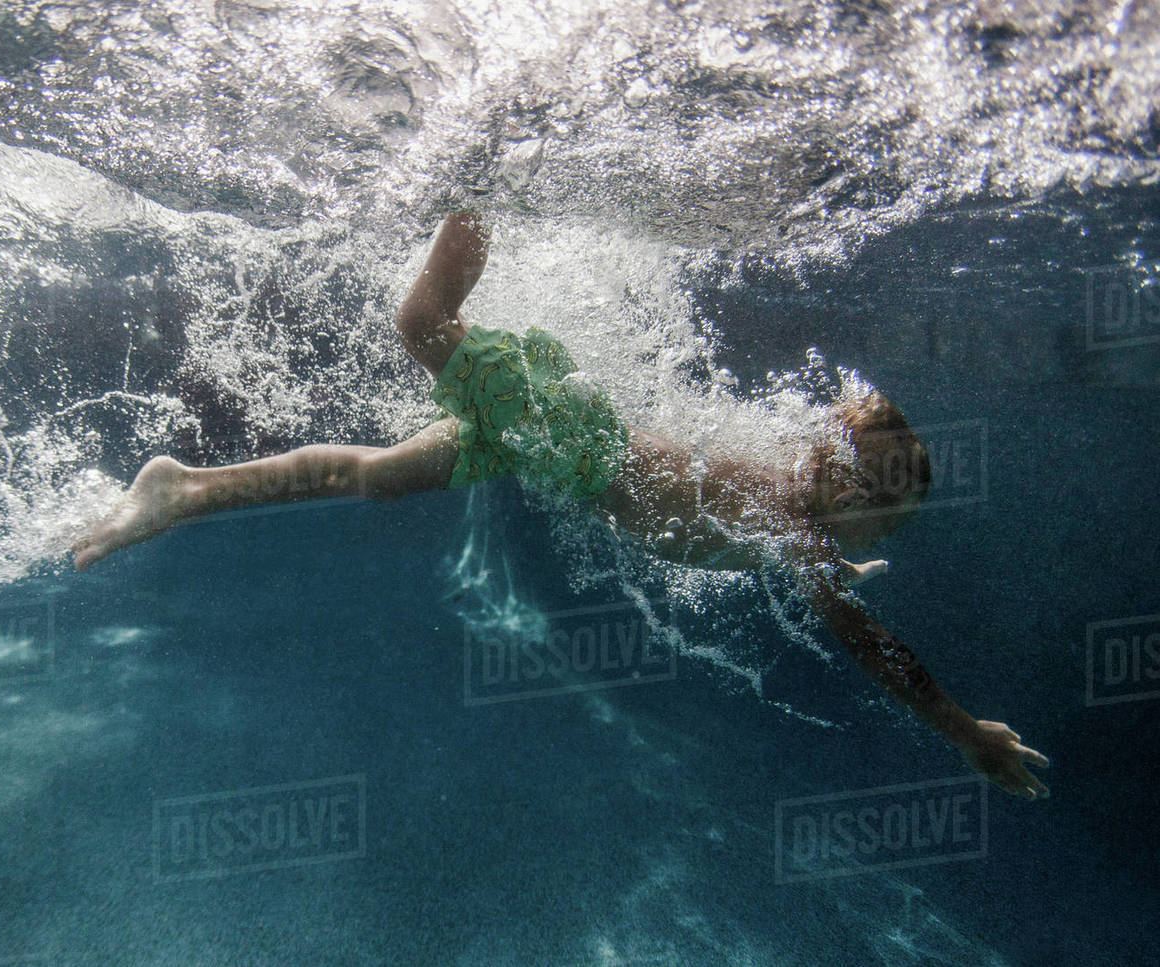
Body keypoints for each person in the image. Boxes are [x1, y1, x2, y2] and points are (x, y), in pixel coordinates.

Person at [72, 211, 1050, 800]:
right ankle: (482, 173)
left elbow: (846, 599)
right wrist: (964, 730)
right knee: (422, 324)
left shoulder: (801, 520)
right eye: (891, 514)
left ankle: (183, 491)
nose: (892, 534)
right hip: (572, 438)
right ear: (853, 491)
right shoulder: (796, 520)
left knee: (373, 476)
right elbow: (871, 647)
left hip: (554, 451)